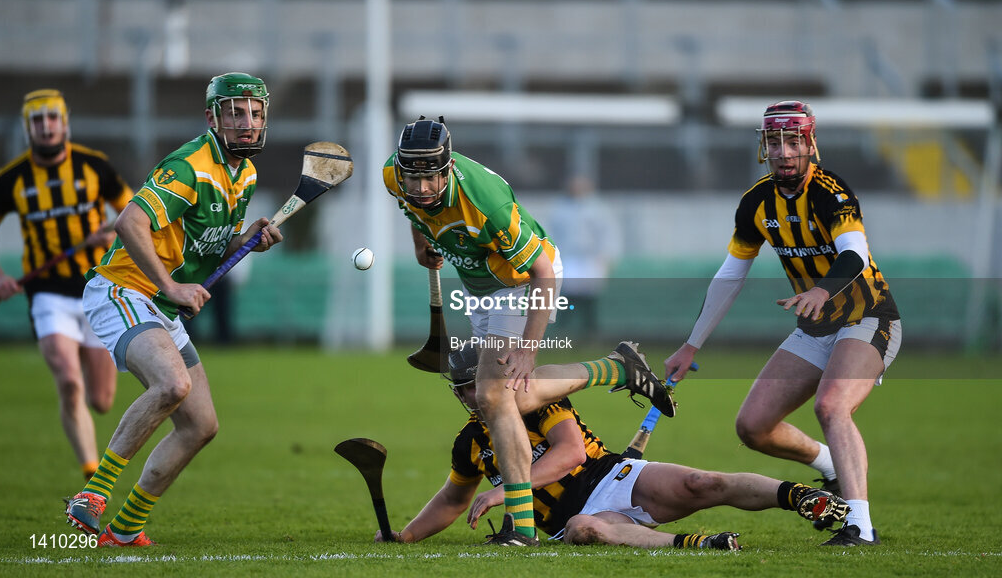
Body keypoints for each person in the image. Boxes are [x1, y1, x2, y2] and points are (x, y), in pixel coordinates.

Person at [384, 118, 671, 545]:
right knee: (512, 399)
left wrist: (528, 350)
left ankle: (520, 528)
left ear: (445, 169)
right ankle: (617, 368)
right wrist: (421, 243)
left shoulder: (486, 203)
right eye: (414, 177)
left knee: (492, 394)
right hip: (480, 281)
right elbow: (417, 211)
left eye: (430, 178)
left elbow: (542, 273)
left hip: (521, 280)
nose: (421, 187)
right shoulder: (395, 176)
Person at [663, 101, 902, 547]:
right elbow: (731, 273)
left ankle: (860, 527)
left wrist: (819, 290)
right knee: (752, 427)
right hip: (816, 326)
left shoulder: (832, 191)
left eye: (793, 141)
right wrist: (692, 344)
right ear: (763, 147)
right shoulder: (755, 201)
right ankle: (831, 465)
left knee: (831, 407)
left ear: (810, 143)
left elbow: (855, 254)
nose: (784, 151)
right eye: (775, 141)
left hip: (867, 316)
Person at [64, 72, 283, 547]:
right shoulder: (190, 166)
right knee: (173, 384)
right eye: (236, 112)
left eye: (256, 113)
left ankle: (124, 530)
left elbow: (212, 246)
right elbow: (129, 222)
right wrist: (173, 287)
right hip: (124, 291)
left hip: (161, 305)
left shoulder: (244, 173)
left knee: (201, 425)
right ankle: (93, 496)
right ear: (213, 117)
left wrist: (248, 243)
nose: (248, 123)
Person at [372, 345, 850, 549]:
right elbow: (452, 499)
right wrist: (406, 537)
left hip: (612, 476)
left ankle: (803, 497)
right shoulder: (470, 443)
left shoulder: (536, 407)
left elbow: (572, 454)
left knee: (702, 482)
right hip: (570, 522)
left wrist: (504, 493)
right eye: (462, 389)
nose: (472, 395)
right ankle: (700, 546)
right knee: (586, 529)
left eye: (476, 384)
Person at [0, 89, 133, 482]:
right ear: (27, 127)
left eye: (52, 118)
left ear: (64, 123)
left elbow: (134, 214)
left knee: (101, 400)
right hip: (47, 294)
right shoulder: (11, 179)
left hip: (97, 290)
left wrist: (111, 236)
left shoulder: (94, 167)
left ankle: (84, 376)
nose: (45, 126)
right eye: (37, 120)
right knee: (68, 379)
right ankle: (90, 471)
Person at [546, 175, 620, 339]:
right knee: (569, 294)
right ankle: (563, 330)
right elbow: (552, 233)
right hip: (569, 257)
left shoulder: (598, 209)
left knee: (589, 296)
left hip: (591, 259)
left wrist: (606, 257)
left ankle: (591, 331)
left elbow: (607, 234)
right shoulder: (561, 208)